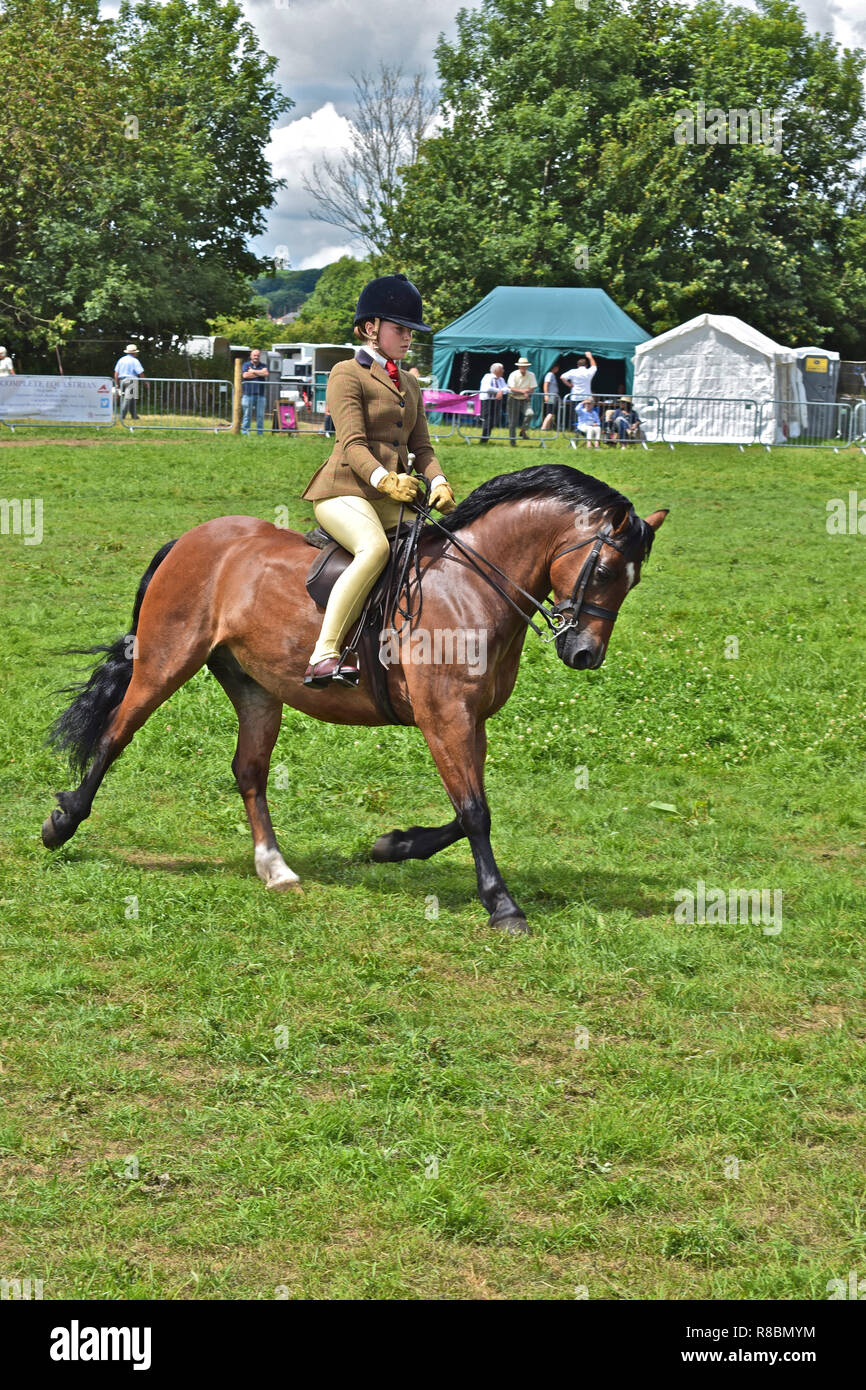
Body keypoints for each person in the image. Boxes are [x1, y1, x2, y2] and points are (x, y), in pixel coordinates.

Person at [300, 273, 456, 689]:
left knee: (443, 547)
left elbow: (422, 447)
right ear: (371, 328)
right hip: (343, 490)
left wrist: (438, 480)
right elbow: (351, 444)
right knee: (374, 549)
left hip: (392, 494)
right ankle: (324, 653)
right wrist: (386, 480)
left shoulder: (408, 382)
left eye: (411, 331)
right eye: (400, 329)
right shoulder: (345, 373)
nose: (408, 338)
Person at [561, 351, 597, 429]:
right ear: (586, 365)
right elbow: (594, 366)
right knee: (585, 414)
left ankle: (574, 428)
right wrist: (590, 357)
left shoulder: (573, 371)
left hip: (575, 396)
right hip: (585, 397)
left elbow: (562, 377)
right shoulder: (588, 372)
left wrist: (569, 385)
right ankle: (584, 428)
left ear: (578, 365)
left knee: (574, 414)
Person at [506, 356, 537, 445]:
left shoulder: (531, 375)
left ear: (527, 366)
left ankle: (523, 430)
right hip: (513, 399)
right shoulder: (513, 374)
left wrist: (524, 392)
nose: (523, 367)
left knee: (530, 413)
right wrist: (523, 391)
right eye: (521, 366)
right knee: (513, 422)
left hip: (524, 400)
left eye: (525, 366)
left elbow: (532, 389)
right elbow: (511, 388)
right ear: (518, 366)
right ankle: (512, 442)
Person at [478, 361, 508, 443]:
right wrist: (499, 391)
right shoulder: (487, 377)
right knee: (487, 419)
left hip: (496, 401)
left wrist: (500, 391)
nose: (503, 371)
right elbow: (487, 388)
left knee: (493, 420)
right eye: (501, 369)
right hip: (487, 401)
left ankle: (486, 438)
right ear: (496, 370)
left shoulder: (501, 379)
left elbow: (507, 389)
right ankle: (483, 440)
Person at [241, 348, 269, 435]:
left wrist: (253, 371)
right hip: (248, 394)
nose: (256, 357)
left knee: (260, 416)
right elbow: (245, 375)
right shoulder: (246, 365)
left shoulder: (263, 365)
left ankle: (260, 433)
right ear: (251, 356)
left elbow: (266, 374)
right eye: (254, 355)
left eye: (258, 355)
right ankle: (245, 432)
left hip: (260, 395)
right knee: (247, 415)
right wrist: (259, 373)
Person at [114, 344, 144, 420]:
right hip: (131, 380)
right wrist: (145, 381)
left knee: (132, 398)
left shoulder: (121, 360)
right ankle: (122, 416)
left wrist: (117, 384)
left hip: (122, 380)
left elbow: (116, 373)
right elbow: (140, 372)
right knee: (128, 399)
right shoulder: (135, 361)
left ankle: (134, 416)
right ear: (134, 353)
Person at [541, 359, 561, 430]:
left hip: (553, 396)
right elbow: (546, 384)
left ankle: (548, 428)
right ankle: (543, 427)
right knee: (550, 412)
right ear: (554, 368)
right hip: (551, 396)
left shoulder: (552, 375)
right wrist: (546, 395)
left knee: (550, 412)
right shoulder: (549, 374)